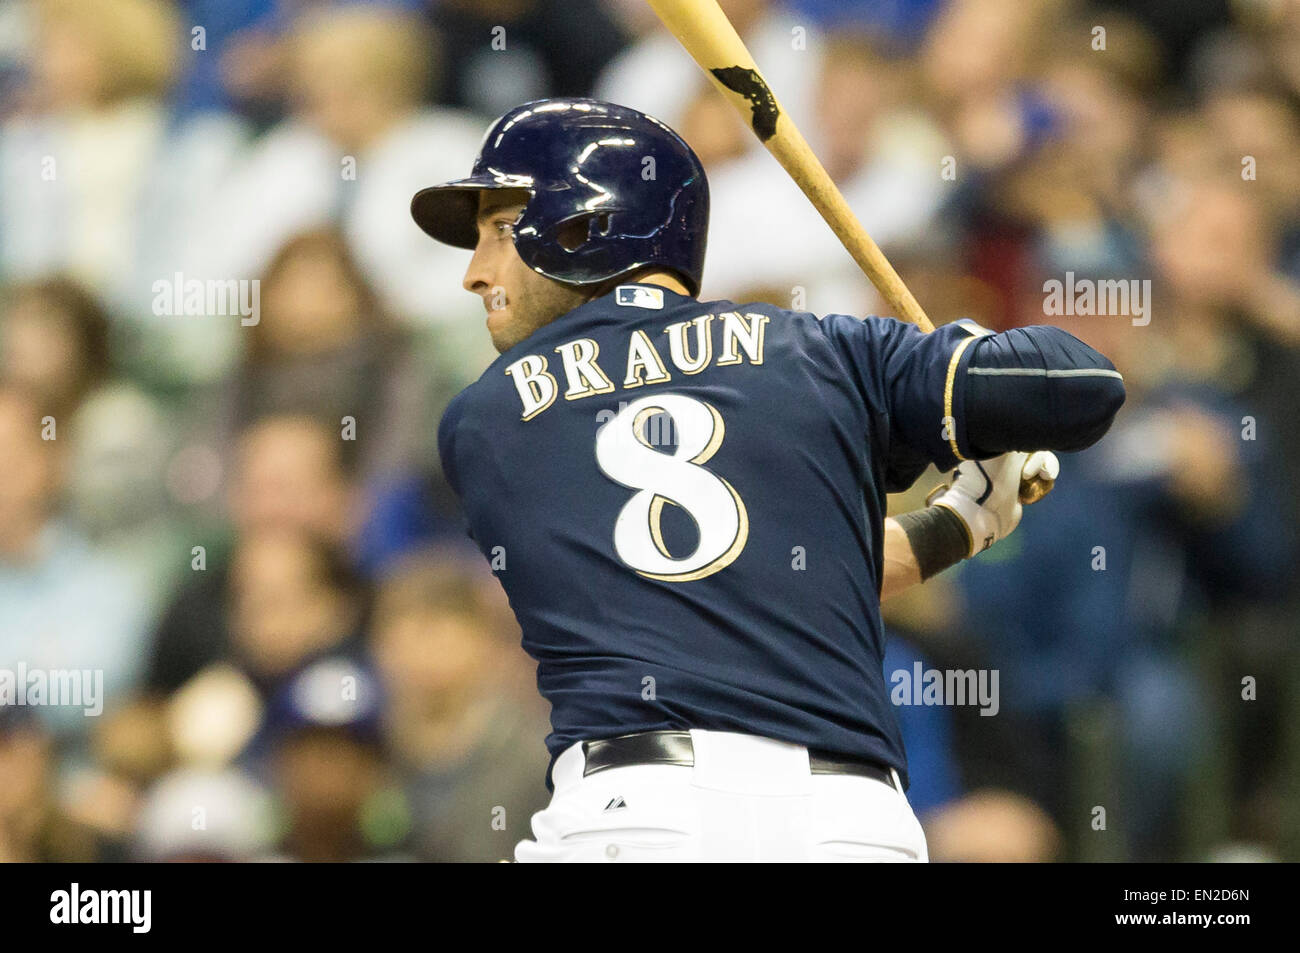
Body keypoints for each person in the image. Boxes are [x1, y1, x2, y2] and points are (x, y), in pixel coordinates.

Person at [410, 98, 1124, 862]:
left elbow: (738, 581)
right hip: (852, 825)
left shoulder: (485, 418)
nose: (475, 272)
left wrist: (958, 514)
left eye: (496, 233)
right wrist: (966, 381)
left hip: (634, 815)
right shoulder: (826, 353)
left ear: (582, 226)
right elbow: (1082, 381)